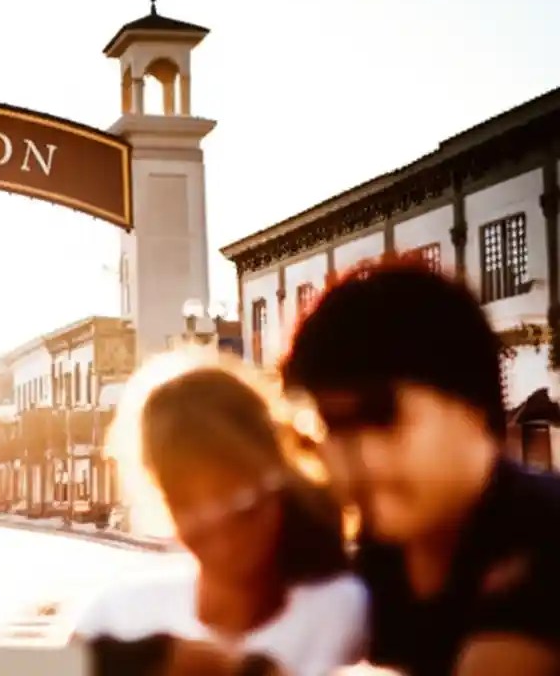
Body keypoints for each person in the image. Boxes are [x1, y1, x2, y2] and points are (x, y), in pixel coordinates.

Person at [282, 261, 560, 676]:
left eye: (381, 414)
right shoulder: (385, 553)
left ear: (471, 404)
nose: (360, 456)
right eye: (331, 424)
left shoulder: (545, 538)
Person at [74, 350, 368, 676]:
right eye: (184, 499)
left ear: (276, 475)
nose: (214, 516)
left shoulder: (342, 613)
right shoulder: (120, 619)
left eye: (231, 488)